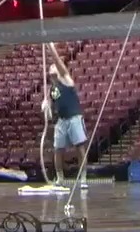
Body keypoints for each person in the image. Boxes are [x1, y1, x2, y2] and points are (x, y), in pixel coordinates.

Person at [42, 43, 87, 187]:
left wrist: (50, 46)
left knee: (80, 148)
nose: (52, 67)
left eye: (54, 67)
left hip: (74, 118)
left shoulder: (66, 79)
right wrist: (46, 106)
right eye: (51, 68)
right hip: (61, 121)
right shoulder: (52, 89)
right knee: (58, 149)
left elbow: (57, 61)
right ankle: (60, 178)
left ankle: (83, 177)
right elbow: (52, 104)